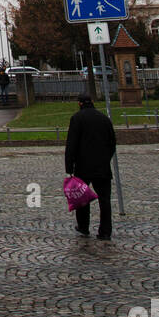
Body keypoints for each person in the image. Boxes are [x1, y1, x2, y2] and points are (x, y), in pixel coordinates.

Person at [64, 95, 117, 241]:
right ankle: (105, 231)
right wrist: (106, 158)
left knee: (82, 198)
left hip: (83, 166)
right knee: (105, 200)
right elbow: (112, 142)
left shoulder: (77, 118)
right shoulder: (104, 119)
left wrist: (69, 167)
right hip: (102, 166)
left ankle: (83, 226)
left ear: (79, 103)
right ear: (92, 102)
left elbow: (71, 144)